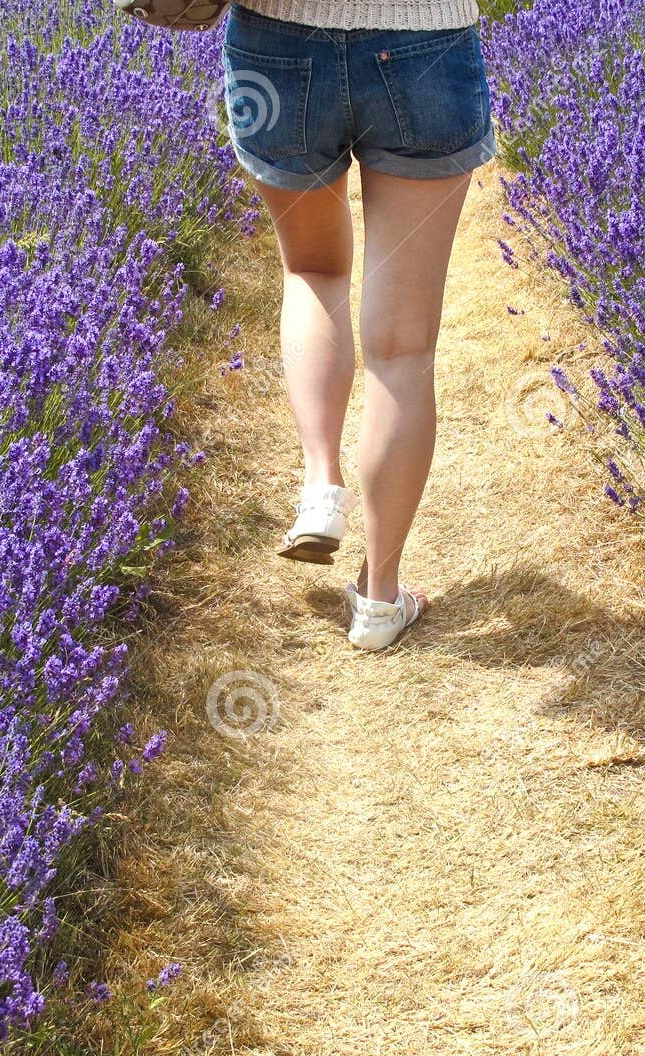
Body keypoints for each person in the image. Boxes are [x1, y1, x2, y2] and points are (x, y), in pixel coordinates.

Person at [220, 0, 493, 649]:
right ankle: (378, 600)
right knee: (402, 347)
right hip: (425, 40)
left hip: (280, 43)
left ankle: (320, 487)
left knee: (313, 271)